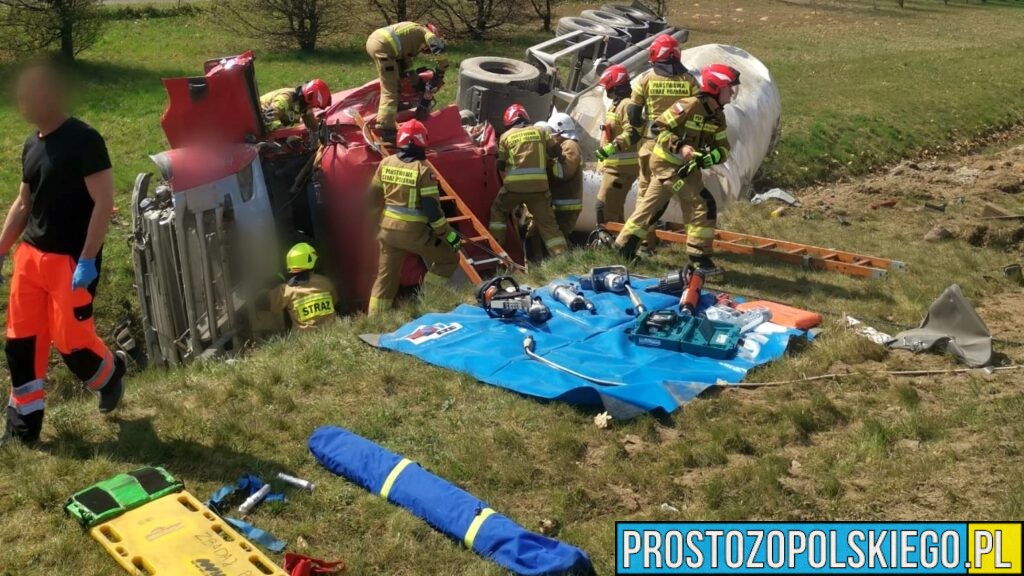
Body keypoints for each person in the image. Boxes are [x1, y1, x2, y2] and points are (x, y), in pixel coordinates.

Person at [0, 63, 127, 446]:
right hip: (31, 258)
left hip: (72, 262)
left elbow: (104, 202)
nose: (23, 104)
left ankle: (111, 372)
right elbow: (24, 204)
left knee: (71, 341)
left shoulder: (84, 140)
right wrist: (2, 247)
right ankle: (22, 430)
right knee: (21, 342)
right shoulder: (31, 144)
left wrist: (88, 259)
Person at [614, 64, 739, 270]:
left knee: (650, 209)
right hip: (668, 166)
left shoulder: (718, 116)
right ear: (716, 87)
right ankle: (699, 258)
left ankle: (623, 248)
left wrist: (709, 158)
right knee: (703, 203)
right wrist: (680, 147)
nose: (732, 92)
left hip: (687, 169)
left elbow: (723, 148)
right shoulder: (688, 106)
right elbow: (658, 128)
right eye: (729, 88)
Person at [368, 120, 460, 315]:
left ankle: (374, 320)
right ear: (422, 141)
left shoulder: (386, 163)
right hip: (413, 234)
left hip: (387, 233)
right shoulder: (423, 170)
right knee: (449, 259)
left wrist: (376, 227)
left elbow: (371, 200)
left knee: (385, 279)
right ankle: (425, 302)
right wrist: (450, 237)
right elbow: (432, 211)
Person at [627, 34, 698, 250]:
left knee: (646, 196)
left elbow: (633, 114)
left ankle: (643, 243)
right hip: (681, 149)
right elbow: (699, 111)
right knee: (692, 198)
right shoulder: (689, 81)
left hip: (652, 146)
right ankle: (696, 245)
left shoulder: (645, 79)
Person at [489, 104, 567, 257]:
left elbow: (500, 165)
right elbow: (556, 151)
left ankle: (497, 251)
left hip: (514, 189)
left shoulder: (506, 137)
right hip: (539, 189)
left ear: (509, 122)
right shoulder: (541, 131)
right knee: (548, 225)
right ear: (525, 117)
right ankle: (561, 257)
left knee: (498, 210)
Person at [365, 22, 448, 144]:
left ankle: (395, 107)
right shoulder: (426, 33)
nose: (423, 51)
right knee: (390, 87)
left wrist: (418, 84)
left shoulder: (409, 36)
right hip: (384, 47)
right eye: (425, 49)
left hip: (379, 42)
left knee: (396, 76)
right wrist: (441, 69)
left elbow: (407, 68)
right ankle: (386, 128)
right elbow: (439, 49)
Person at [594, 64, 640, 225]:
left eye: (608, 87)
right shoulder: (616, 105)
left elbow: (633, 133)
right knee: (614, 209)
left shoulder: (627, 105)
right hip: (614, 168)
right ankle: (616, 243)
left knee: (604, 208)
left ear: (615, 86)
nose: (607, 90)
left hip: (623, 169)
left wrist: (611, 148)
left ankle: (608, 241)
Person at [270, 243, 338, 330]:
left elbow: (267, 304)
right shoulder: (325, 282)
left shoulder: (287, 290)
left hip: (304, 340)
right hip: (332, 333)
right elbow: (335, 300)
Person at [260, 79, 332, 132]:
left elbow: (312, 124)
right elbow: (269, 117)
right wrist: (287, 136)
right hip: (257, 122)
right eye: (313, 105)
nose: (313, 108)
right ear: (309, 98)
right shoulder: (287, 97)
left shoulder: (303, 105)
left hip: (265, 126)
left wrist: (321, 133)